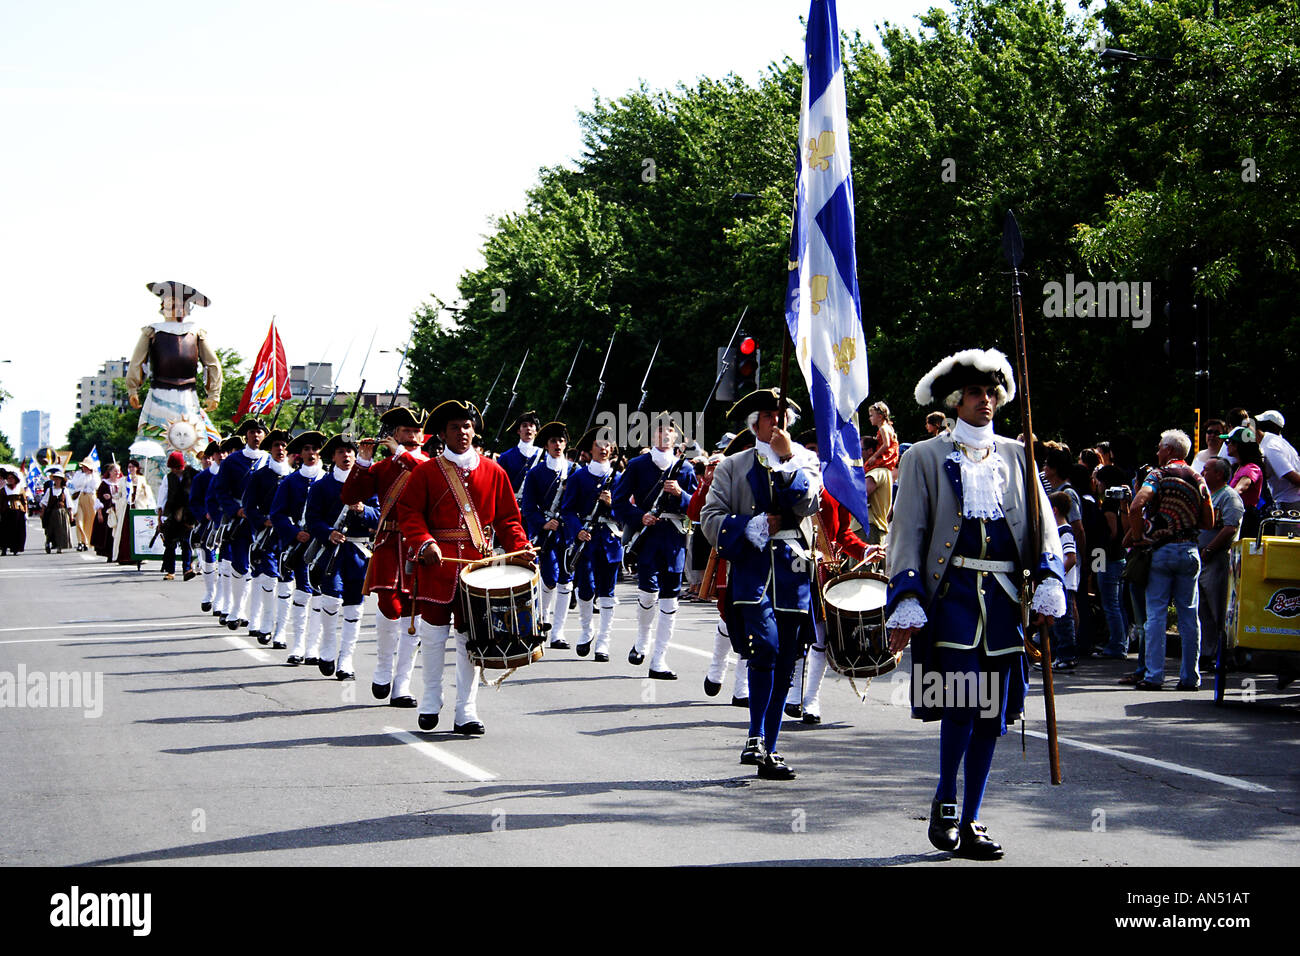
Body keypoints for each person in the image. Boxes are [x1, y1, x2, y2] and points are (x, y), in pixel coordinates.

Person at [885, 348, 1065, 860]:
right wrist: (907, 593)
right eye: (975, 394)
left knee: (992, 717)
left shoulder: (1016, 455)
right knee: (963, 703)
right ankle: (945, 796)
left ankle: (972, 818)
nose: (986, 401)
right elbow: (908, 531)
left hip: (1006, 603)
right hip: (954, 599)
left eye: (992, 393)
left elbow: (1043, 524)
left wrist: (1050, 577)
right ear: (955, 401)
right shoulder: (922, 456)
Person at [701, 389, 820, 780]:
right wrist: (749, 526)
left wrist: (787, 459)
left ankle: (768, 746)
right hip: (752, 570)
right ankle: (754, 735)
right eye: (769, 416)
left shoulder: (805, 461)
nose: (777, 423)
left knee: (787, 659)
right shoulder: (732, 466)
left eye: (781, 416)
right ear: (755, 424)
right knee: (765, 648)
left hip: (794, 571)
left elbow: (808, 503)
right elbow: (710, 517)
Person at [398, 400, 532, 735]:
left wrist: (520, 548)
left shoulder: (494, 471)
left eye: (468, 426)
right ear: (442, 434)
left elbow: (508, 520)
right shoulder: (426, 471)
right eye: (456, 427)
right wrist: (425, 542)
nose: (463, 433)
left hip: (478, 568)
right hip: (437, 565)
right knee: (431, 636)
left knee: (471, 639)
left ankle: (466, 710)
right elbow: (410, 513)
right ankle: (430, 700)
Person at [785, 430, 878, 723]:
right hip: (791, 568)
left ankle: (810, 700)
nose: (812, 456)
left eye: (817, 451)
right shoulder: (785, 483)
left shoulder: (833, 490)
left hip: (823, 569)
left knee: (821, 637)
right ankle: (791, 695)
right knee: (794, 635)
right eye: (807, 449)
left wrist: (865, 548)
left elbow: (842, 534)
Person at [342, 407, 430, 707]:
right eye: (407, 431)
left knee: (414, 614)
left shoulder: (428, 464)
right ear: (394, 434)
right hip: (390, 540)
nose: (415, 436)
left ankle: (402, 683)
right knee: (388, 604)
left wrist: (397, 455)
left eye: (417, 431)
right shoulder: (382, 467)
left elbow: (419, 471)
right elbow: (351, 495)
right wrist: (364, 459)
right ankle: (382, 667)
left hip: (418, 545)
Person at [1126, 429, 1214, 691]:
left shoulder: (1158, 475)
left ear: (1170, 450)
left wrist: (1139, 535)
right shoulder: (1198, 477)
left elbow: (1135, 505)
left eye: (1160, 447)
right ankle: (1190, 677)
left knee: (1155, 615)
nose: (1157, 452)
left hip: (1162, 552)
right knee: (1189, 615)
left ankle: (1154, 675)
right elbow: (1209, 520)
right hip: (1189, 550)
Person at [613, 412, 698, 680]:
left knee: (670, 597)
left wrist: (680, 494)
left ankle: (659, 658)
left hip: (673, 538)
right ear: (653, 436)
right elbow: (618, 501)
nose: (664, 435)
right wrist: (640, 517)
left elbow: (696, 505)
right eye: (659, 431)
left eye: (670, 431)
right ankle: (641, 640)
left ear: (676, 437)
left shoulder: (684, 468)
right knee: (648, 593)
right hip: (647, 538)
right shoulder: (638, 465)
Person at [125, 281, 223, 488]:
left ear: (187, 308)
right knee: (153, 446)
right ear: (162, 306)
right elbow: (137, 361)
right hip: (158, 395)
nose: (175, 308)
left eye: (179, 303)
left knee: (191, 442)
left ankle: (195, 486)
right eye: (170, 302)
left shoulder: (196, 332)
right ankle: (151, 489)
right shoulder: (152, 331)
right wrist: (132, 388)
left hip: (188, 396)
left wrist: (214, 393)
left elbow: (213, 364)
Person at [305, 434, 378, 680]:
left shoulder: (367, 484)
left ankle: (346, 659)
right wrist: (328, 533)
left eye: (350, 451)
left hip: (358, 552)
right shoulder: (321, 486)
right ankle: (326, 649)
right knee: (331, 600)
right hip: (331, 553)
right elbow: (312, 520)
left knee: (354, 607)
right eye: (340, 451)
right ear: (333, 456)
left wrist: (363, 510)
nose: (346, 455)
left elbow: (379, 515)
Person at [696, 430, 755, 707]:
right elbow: (697, 513)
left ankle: (742, 687)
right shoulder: (726, 475)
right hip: (732, 556)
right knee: (728, 615)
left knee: (752, 620)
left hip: (766, 557)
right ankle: (716, 668)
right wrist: (706, 483)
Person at [561, 426, 624, 661]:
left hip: (609, 539)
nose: (604, 448)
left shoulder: (618, 478)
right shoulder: (578, 477)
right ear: (590, 449)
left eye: (608, 444)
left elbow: (625, 513)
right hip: (586, 541)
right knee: (585, 589)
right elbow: (567, 510)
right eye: (599, 444)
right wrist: (577, 532)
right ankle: (587, 629)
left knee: (607, 591)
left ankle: (604, 641)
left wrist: (611, 505)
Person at [270, 431, 326, 666]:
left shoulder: (328, 480)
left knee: (322, 596)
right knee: (303, 592)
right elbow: (277, 514)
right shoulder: (290, 482)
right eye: (306, 449)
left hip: (323, 546)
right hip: (301, 545)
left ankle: (314, 648)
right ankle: (298, 647)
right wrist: (295, 533)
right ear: (299, 454)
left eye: (314, 449)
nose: (311, 453)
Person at [520, 421, 576, 649]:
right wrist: (543, 524)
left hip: (568, 532)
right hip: (546, 533)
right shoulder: (536, 473)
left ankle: (558, 631)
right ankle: (543, 619)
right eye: (553, 441)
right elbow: (528, 508)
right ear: (546, 444)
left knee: (566, 578)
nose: (558, 445)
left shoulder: (574, 471)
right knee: (550, 577)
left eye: (561, 441)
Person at [213, 419, 270, 629]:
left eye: (260, 432)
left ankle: (254, 616)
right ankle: (237, 608)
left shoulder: (270, 461)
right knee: (239, 565)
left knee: (262, 569)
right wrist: (236, 510)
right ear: (246, 436)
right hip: (241, 521)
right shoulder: (232, 461)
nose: (256, 436)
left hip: (264, 522)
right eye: (253, 432)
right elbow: (220, 490)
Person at [241, 428, 293, 644]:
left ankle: (281, 631)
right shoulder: (259, 476)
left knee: (287, 582)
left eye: (283, 445)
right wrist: (263, 520)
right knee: (269, 577)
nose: (280, 449)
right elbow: (248, 505)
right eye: (276, 445)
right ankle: (266, 624)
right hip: (268, 535)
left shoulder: (295, 476)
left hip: (289, 535)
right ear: (270, 449)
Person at [1198, 458, 1242, 668]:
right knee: (1203, 609)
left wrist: (1209, 548)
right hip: (1202, 560)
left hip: (1218, 559)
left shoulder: (1229, 496)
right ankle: (1207, 653)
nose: (1203, 472)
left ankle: (1226, 655)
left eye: (1207, 469)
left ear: (1218, 474)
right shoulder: (1206, 495)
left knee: (1219, 608)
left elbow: (1230, 527)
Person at [1091, 465, 1131, 659]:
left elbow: (1111, 532)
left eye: (1098, 480)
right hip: (1120, 555)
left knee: (1110, 603)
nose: (1096, 484)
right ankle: (1122, 641)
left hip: (1107, 557)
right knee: (1119, 603)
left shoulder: (1108, 504)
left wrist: (1096, 560)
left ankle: (1117, 644)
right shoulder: (1122, 502)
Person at [189, 440, 224, 611]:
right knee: (208, 556)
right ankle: (211, 592)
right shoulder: (201, 478)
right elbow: (194, 502)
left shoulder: (234, 474)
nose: (222, 456)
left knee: (227, 563)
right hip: (208, 525)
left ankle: (222, 599)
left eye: (225, 452)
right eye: (218, 453)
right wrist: (205, 514)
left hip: (229, 524)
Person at [1046, 492, 1079, 670]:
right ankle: (1058, 655)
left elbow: (1071, 557)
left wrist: (1058, 574)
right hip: (1059, 582)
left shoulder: (1064, 531)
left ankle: (1067, 656)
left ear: (1054, 509)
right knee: (1057, 621)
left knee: (1064, 621)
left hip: (1063, 583)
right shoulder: (1058, 531)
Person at [157, 450, 198, 580]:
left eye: (178, 468)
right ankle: (170, 571)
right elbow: (162, 498)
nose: (176, 470)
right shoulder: (167, 478)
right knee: (170, 544)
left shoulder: (192, 476)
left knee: (186, 543)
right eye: (174, 468)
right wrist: (160, 518)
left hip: (187, 516)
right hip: (172, 516)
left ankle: (187, 569)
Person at [1255, 410, 1300, 509]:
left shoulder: (1270, 446)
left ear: (1273, 426)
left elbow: (1291, 476)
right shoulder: (1281, 442)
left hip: (1290, 503)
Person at [114, 458, 156, 566]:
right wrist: (113, 495)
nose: (131, 469)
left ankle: (139, 556)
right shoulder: (123, 480)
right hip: (126, 509)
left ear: (137, 468)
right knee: (125, 533)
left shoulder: (141, 479)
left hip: (137, 508)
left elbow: (148, 495)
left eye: (133, 467)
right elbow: (119, 494)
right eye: (129, 467)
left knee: (138, 532)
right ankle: (124, 557)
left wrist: (145, 489)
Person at [496, 410, 543, 495]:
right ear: (518, 431)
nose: (528, 428)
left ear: (536, 431)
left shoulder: (544, 456)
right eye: (524, 426)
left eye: (531, 425)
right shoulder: (506, 457)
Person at [91, 463, 123, 560]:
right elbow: (98, 499)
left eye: (118, 471)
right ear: (110, 472)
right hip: (107, 512)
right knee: (108, 534)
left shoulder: (121, 483)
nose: (117, 473)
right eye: (115, 471)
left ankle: (117, 553)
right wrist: (99, 513)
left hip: (118, 511)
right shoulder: (104, 484)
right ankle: (109, 554)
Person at [40, 468, 75, 554]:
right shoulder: (50, 490)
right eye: (55, 478)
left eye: (59, 479)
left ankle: (60, 546)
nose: (57, 480)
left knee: (61, 530)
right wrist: (42, 512)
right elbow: (44, 502)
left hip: (62, 513)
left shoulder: (64, 490)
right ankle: (48, 543)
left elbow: (69, 503)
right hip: (51, 513)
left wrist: (71, 515)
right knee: (50, 530)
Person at [863, 401, 899, 478]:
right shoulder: (886, 427)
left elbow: (886, 444)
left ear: (879, 417)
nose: (870, 418)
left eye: (871, 416)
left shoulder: (883, 428)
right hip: (887, 454)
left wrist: (874, 456)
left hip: (886, 455)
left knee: (867, 466)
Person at [68, 459, 98, 551]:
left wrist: (91, 474)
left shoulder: (95, 476)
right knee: (79, 520)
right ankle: (80, 541)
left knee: (90, 521)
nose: (85, 468)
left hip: (91, 498)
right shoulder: (78, 475)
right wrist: (84, 477)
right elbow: (75, 485)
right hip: (80, 498)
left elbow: (95, 486)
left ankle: (88, 541)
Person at [0, 466, 30, 555]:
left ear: (16, 479)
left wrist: (25, 512)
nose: (10, 480)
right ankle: (4, 548)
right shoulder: (3, 490)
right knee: (5, 531)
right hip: (6, 512)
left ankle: (16, 548)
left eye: (12, 478)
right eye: (8, 478)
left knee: (18, 530)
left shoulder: (20, 489)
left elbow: (24, 501)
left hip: (18, 512)